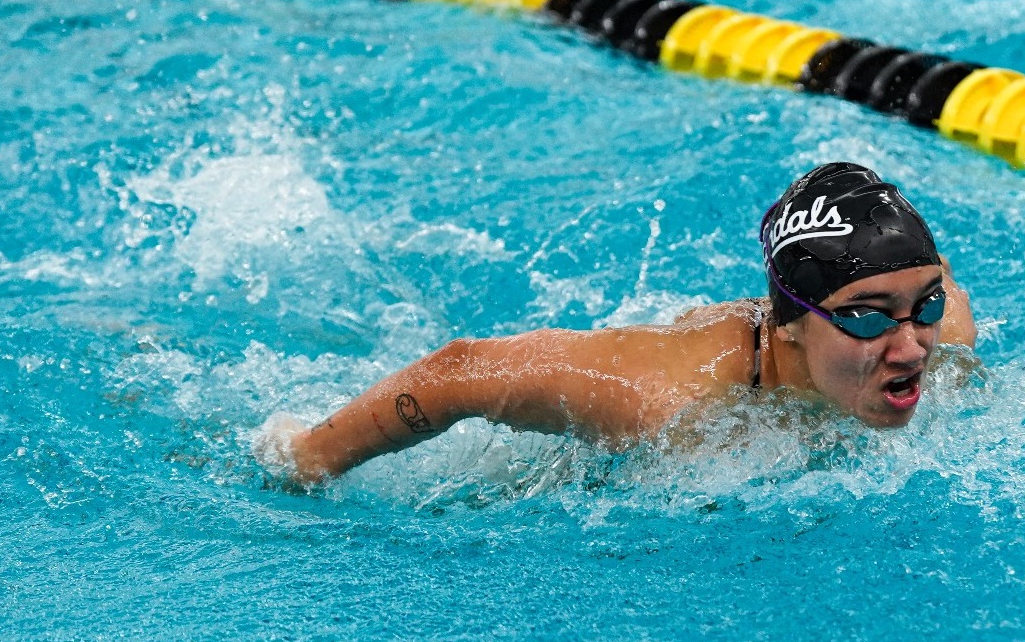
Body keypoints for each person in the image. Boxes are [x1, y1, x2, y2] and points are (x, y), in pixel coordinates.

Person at [255, 162, 977, 484]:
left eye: (924, 306)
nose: (910, 346)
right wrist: (308, 458)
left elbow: (928, 282)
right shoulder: (667, 400)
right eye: (867, 318)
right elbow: (460, 372)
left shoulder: (940, 334)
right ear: (790, 321)